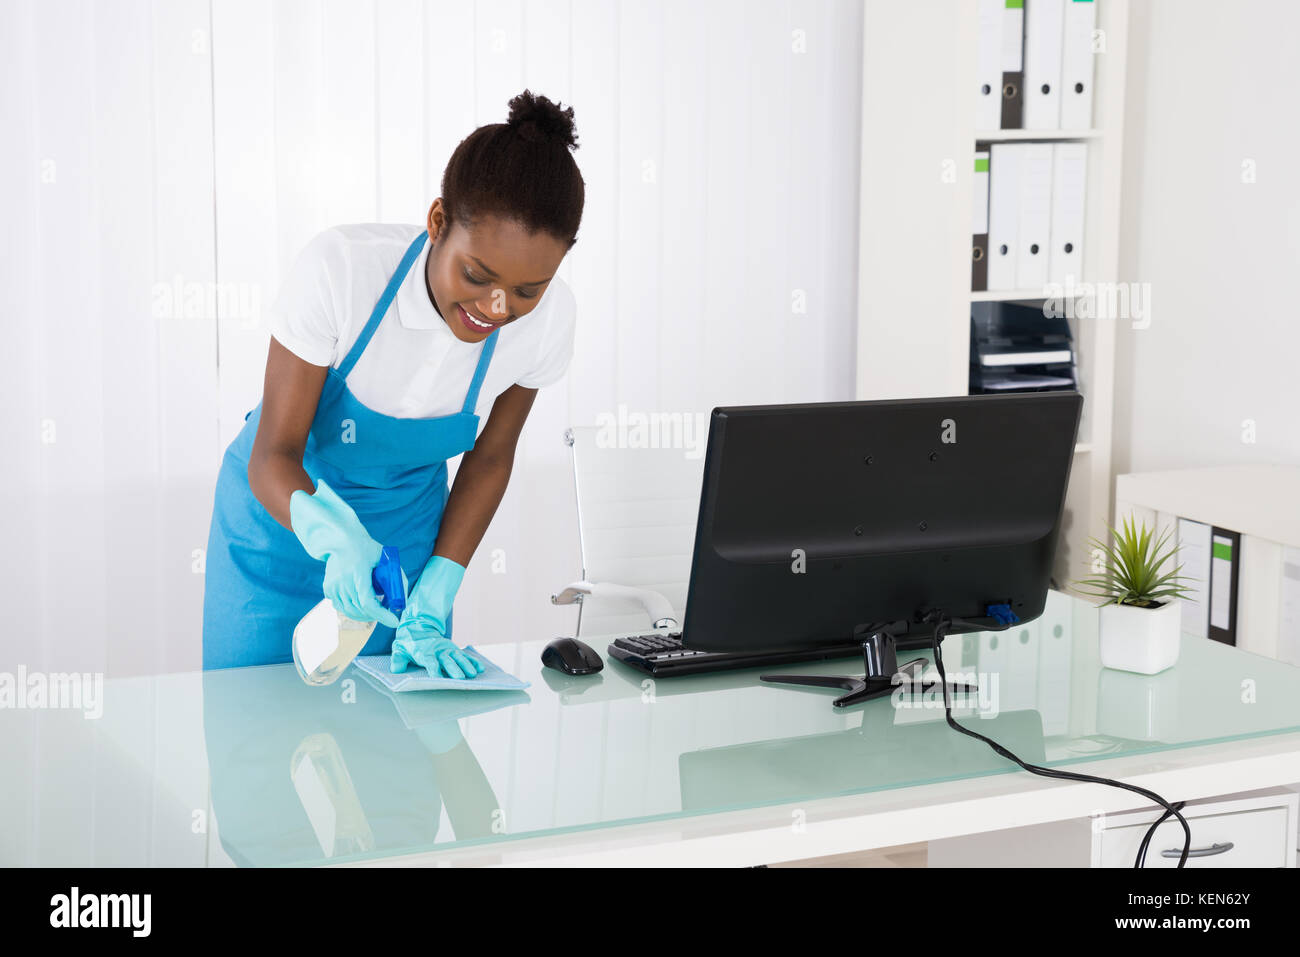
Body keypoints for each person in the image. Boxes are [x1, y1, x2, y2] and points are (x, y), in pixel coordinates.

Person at [202, 90, 584, 676]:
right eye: (477, 275)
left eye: (528, 290)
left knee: (394, 750)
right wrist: (335, 539)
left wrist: (440, 585)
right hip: (279, 529)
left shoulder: (549, 321)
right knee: (255, 743)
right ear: (437, 222)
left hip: (401, 552)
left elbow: (489, 459)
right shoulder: (341, 271)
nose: (496, 307)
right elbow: (272, 454)